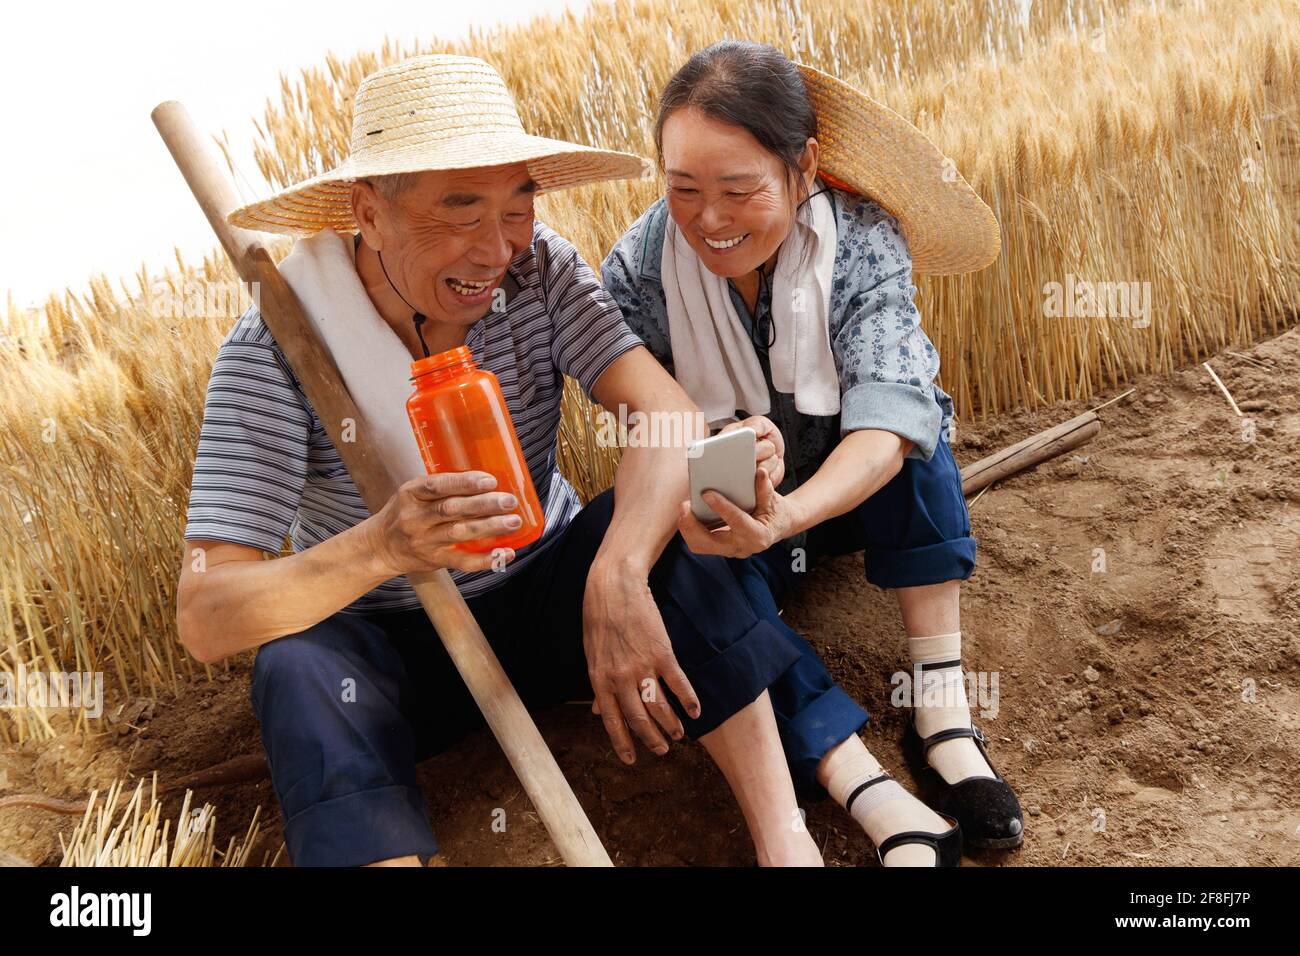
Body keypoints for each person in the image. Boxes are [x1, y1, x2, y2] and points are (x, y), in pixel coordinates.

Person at [176, 53, 953, 867]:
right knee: (295, 669)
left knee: (677, 518)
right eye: (460, 211)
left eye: (518, 207)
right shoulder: (275, 353)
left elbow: (668, 421)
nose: (496, 249)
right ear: (370, 213)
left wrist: (616, 572)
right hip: (394, 642)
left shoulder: (539, 271)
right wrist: (383, 547)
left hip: (554, 599)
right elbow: (208, 614)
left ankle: (786, 842)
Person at [600, 40, 1024, 850]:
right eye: (682, 189)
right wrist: (720, 470)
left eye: (739, 190)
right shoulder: (640, 268)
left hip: (839, 504)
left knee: (915, 429)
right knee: (678, 568)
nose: (709, 221)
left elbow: (888, 416)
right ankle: (854, 772)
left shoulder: (862, 237)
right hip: (738, 525)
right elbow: (647, 425)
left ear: (806, 169)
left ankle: (942, 712)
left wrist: (789, 515)